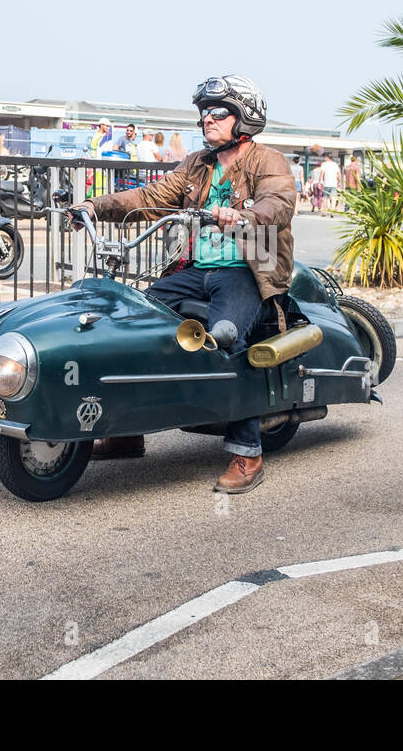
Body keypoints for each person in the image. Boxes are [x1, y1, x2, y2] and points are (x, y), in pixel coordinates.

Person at [68, 74, 295, 493]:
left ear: (244, 118)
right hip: (191, 272)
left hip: (246, 272)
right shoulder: (197, 164)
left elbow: (278, 204)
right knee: (134, 323)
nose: (207, 120)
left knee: (229, 340)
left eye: (218, 113)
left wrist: (242, 217)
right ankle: (125, 431)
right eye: (204, 113)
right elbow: (149, 198)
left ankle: (248, 454)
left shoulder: (268, 161)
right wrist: (95, 207)